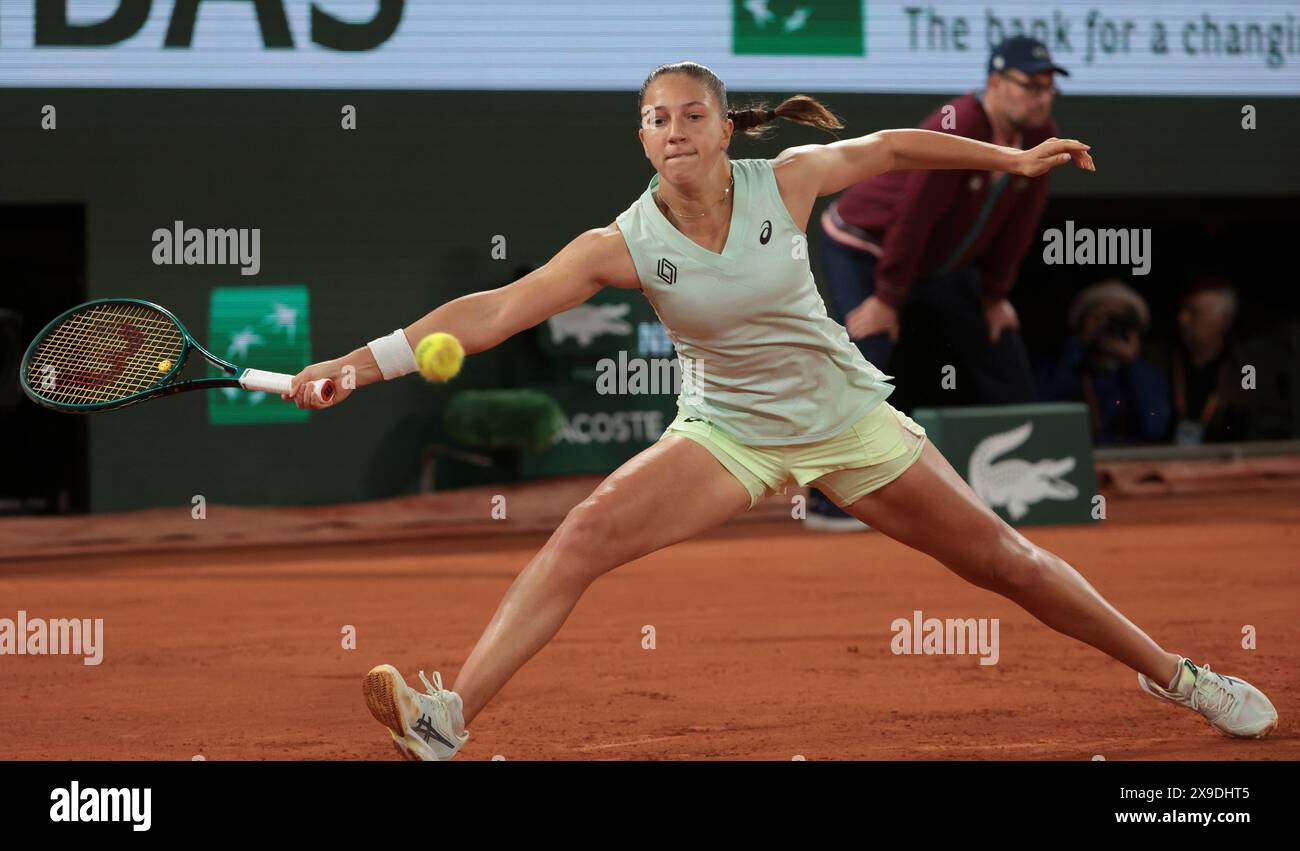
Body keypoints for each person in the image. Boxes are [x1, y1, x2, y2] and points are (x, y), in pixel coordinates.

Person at [284, 61, 1276, 759]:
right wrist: (358, 365)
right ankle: (450, 714)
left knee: (1008, 563)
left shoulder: (786, 180)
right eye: (653, 117)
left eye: (688, 115)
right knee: (582, 532)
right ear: (642, 135)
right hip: (727, 432)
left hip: (846, 417)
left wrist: (1008, 165)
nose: (670, 131)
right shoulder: (621, 241)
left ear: (723, 127)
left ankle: (1177, 673)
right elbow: (494, 312)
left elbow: (892, 148)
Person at [806, 35, 1069, 529]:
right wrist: (886, 300)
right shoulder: (962, 124)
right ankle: (828, 502)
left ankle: (1032, 478)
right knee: (868, 348)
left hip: (935, 265)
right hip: (865, 246)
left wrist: (994, 297)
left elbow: (1019, 223)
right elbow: (914, 218)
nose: (1041, 96)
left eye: (1048, 87)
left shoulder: (1041, 136)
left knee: (1000, 338)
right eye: (1030, 85)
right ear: (995, 83)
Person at [1036, 280, 1171, 446]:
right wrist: (1079, 344)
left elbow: (1154, 426)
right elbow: (1043, 417)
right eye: (1100, 319)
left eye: (1119, 320)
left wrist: (1132, 363)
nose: (1109, 327)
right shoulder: (1063, 368)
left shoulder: (1148, 375)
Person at [1168, 273, 1250, 444]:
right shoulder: (1164, 363)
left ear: (1223, 319)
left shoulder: (1246, 369)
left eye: (1194, 312)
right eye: (1181, 310)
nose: (1182, 319)